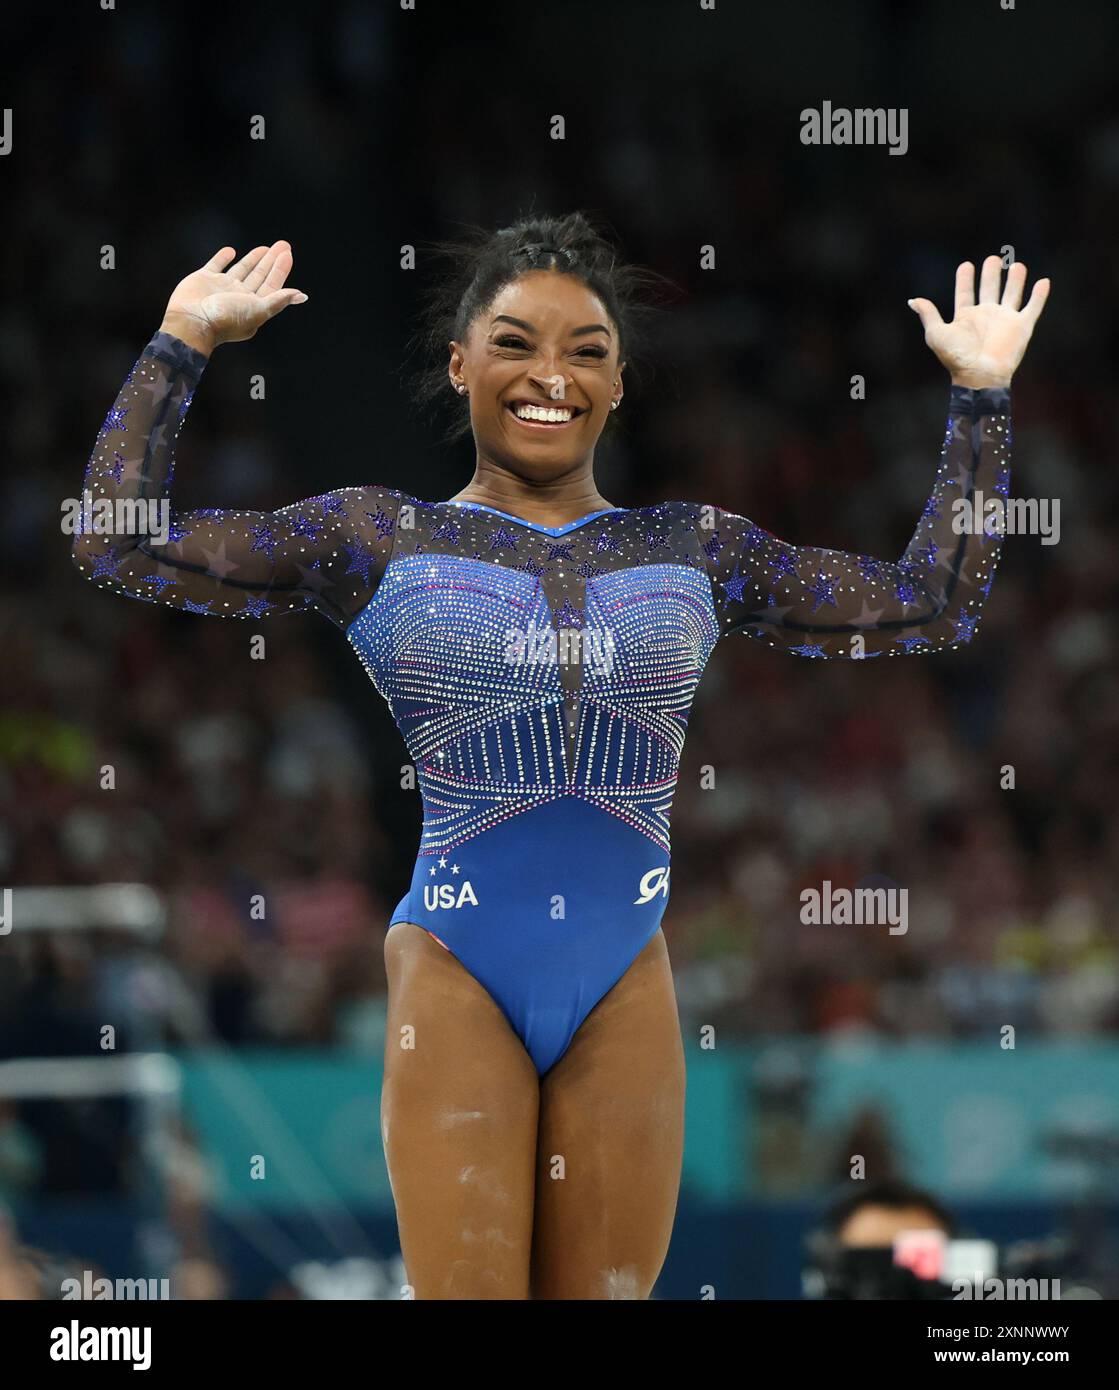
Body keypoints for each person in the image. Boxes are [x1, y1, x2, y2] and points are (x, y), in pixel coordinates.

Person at [73, 215, 1049, 1298]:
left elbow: (931, 602)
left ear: (621, 382)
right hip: (457, 967)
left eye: (586, 351)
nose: (552, 375)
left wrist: (979, 399)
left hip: (623, 969)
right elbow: (113, 541)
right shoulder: (375, 536)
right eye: (516, 342)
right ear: (459, 364)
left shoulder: (695, 546)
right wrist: (179, 342)